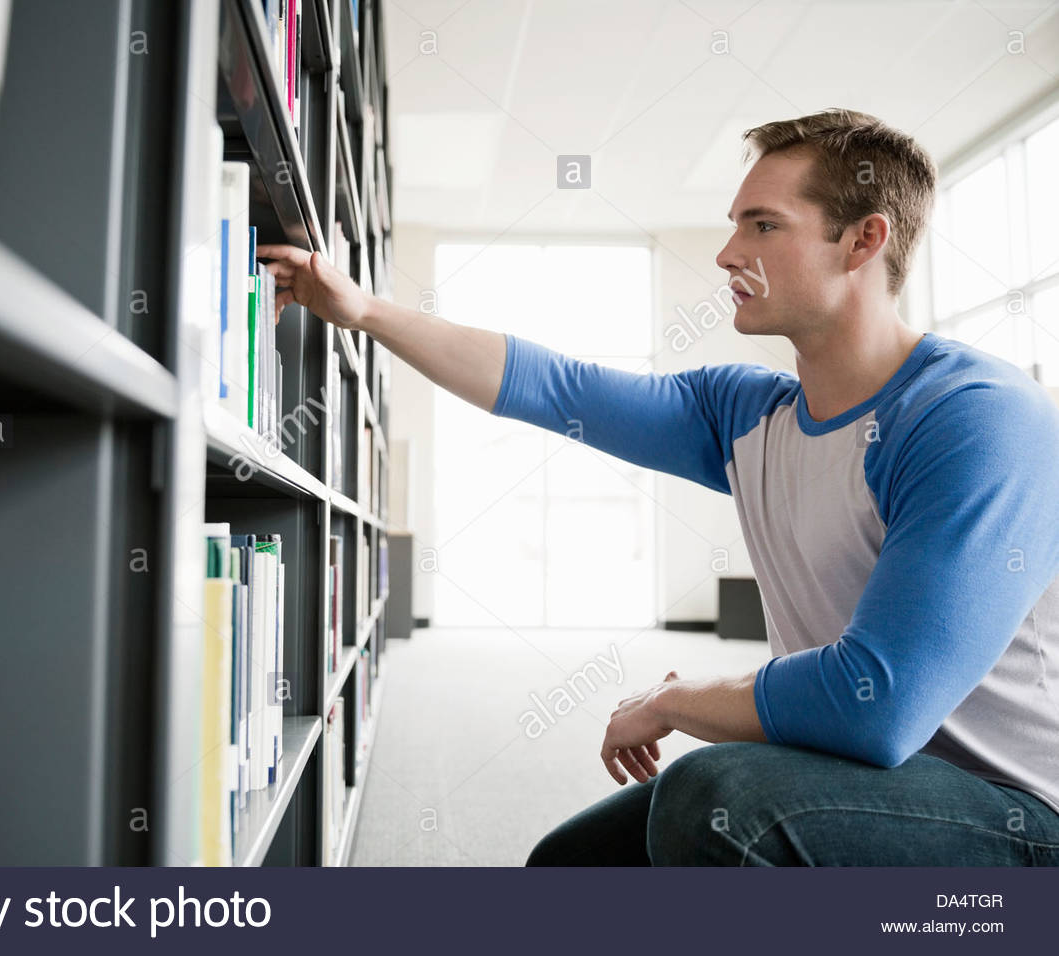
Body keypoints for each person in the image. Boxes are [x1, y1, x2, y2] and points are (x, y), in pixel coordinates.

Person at [257, 109, 1059, 866]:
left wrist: (683, 699)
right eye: (736, 223)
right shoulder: (748, 414)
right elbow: (560, 389)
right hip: (858, 775)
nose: (727, 252)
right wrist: (364, 312)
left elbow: (874, 700)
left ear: (862, 241)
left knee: (716, 798)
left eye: (764, 225)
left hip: (1016, 818)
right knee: (571, 867)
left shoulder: (974, 418)